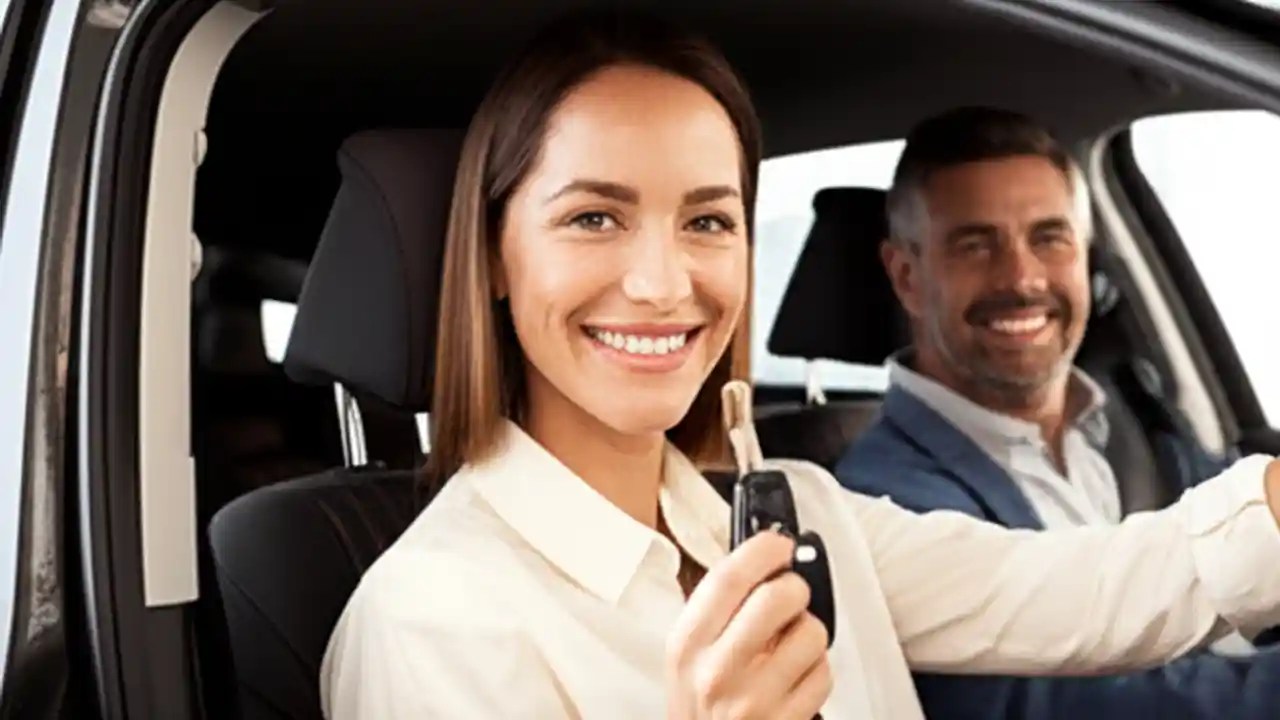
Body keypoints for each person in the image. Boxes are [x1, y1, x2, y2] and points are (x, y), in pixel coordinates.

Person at [320, 12, 1280, 720]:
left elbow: (1100, 588)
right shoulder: (432, 624)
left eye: (707, 220)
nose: (663, 284)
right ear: (492, 254)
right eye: (593, 218)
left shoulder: (808, 513)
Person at [834, 105, 1280, 719]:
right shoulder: (881, 502)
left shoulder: (1131, 422)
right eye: (975, 245)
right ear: (907, 275)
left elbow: (1252, 555)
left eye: (1049, 237)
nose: (1021, 277)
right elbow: (1057, 706)